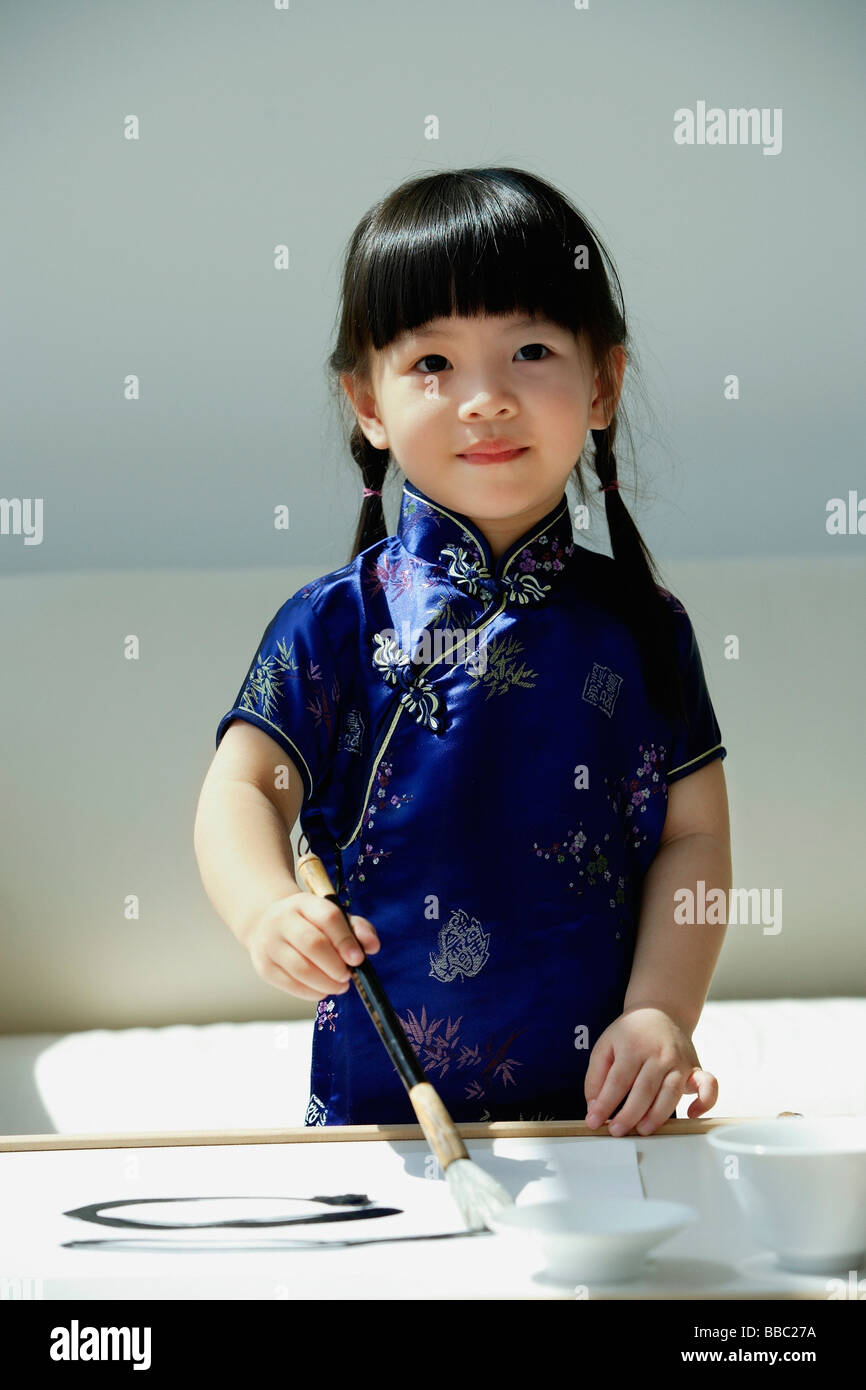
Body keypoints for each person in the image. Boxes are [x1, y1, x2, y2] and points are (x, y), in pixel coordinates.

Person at [194, 167, 732, 1132]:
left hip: (606, 1111)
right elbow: (241, 790)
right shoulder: (334, 624)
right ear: (368, 400)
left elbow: (694, 840)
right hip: (387, 1111)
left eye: (529, 349)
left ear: (602, 382)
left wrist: (663, 1010)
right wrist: (265, 909)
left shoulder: (648, 626)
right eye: (433, 365)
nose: (483, 399)